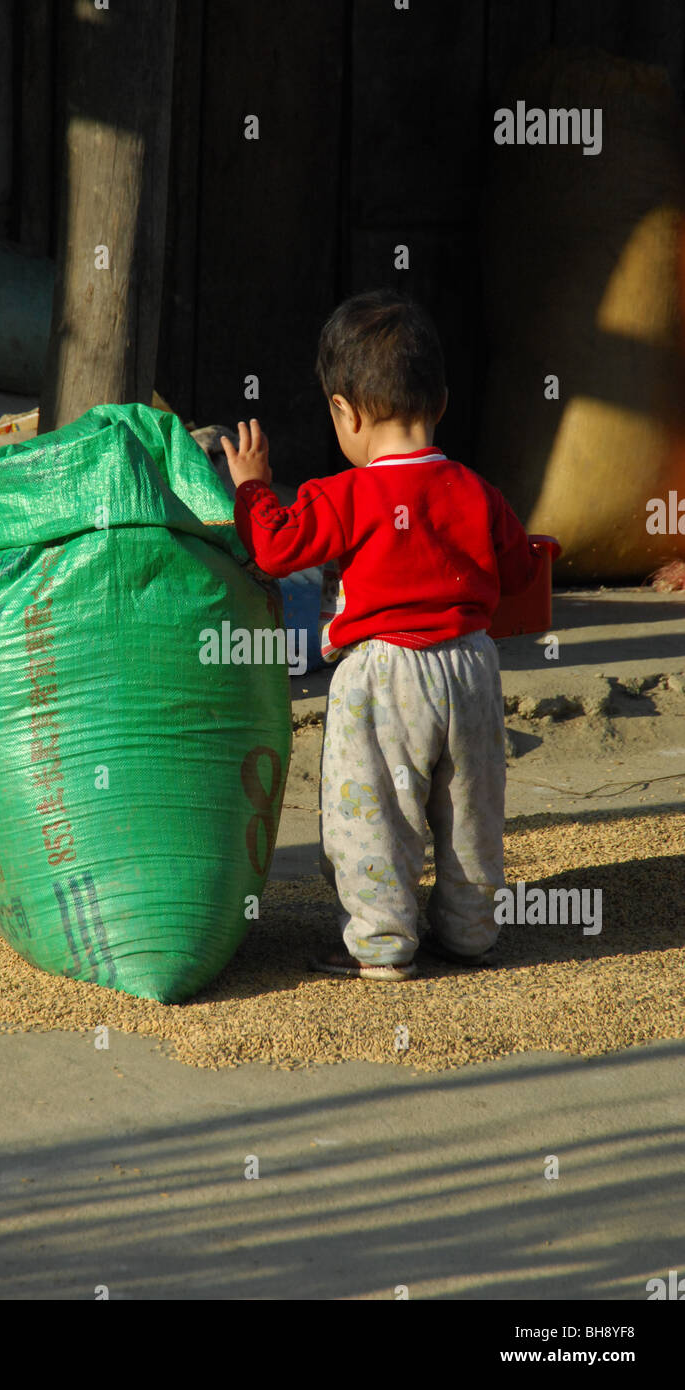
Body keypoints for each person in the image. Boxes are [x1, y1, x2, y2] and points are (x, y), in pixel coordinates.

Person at [221, 289, 540, 981]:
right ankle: (468, 933)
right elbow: (519, 571)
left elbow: (275, 550)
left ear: (347, 411)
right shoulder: (476, 491)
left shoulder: (346, 494)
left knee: (372, 814)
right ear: (442, 402)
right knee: (470, 809)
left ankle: (381, 941)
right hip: (471, 668)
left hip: (384, 676)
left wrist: (251, 489)